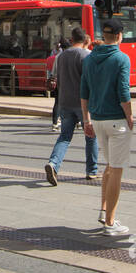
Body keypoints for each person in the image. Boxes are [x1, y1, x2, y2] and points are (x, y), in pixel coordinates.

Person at [80, 22, 134, 237]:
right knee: (117, 170)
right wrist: (129, 115)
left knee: (110, 166)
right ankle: (110, 223)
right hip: (117, 120)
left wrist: (86, 119)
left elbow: (84, 90)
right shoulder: (121, 58)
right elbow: (123, 91)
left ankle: (104, 211)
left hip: (98, 120)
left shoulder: (90, 58)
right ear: (120, 36)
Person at [44, 28, 99, 184]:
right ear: (84, 40)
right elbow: (91, 81)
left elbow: (54, 77)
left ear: (72, 39)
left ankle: (53, 164)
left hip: (64, 102)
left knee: (64, 137)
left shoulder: (60, 56)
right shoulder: (87, 55)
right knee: (91, 135)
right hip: (83, 103)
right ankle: (92, 170)